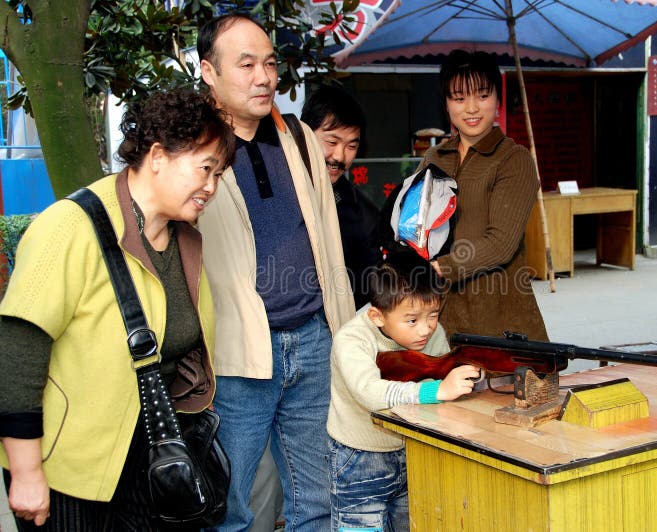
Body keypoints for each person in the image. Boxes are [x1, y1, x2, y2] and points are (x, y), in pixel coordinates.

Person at [0, 89, 235, 530]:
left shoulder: (186, 240)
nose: (212, 186)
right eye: (205, 169)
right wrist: (27, 470)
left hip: (151, 461)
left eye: (218, 174)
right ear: (159, 154)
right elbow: (16, 356)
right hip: (71, 470)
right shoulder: (70, 226)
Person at [196, 14, 355, 532]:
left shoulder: (301, 138)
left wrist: (345, 332)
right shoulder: (189, 149)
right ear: (208, 71)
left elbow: (329, 238)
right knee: (229, 510)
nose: (264, 77)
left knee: (320, 502)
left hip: (312, 340)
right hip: (237, 356)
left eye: (269, 63)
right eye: (245, 64)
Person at [327, 252, 479, 531]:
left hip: (413, 452)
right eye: (412, 320)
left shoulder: (433, 334)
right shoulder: (351, 339)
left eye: (433, 315)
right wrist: (436, 390)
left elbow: (441, 375)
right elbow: (370, 393)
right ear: (377, 316)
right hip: (361, 457)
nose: (426, 329)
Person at [418, 49, 549, 340]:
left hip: (499, 319)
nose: (472, 108)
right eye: (459, 97)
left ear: (498, 100)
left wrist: (443, 267)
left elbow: (501, 244)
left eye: (482, 94)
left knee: (496, 386)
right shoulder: (434, 158)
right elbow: (415, 224)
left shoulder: (514, 160)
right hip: (438, 319)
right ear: (446, 104)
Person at [302, 85, 380, 309]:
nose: (339, 156)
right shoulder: (278, 192)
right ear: (305, 133)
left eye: (351, 146)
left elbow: (368, 292)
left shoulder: (364, 215)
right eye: (332, 142)